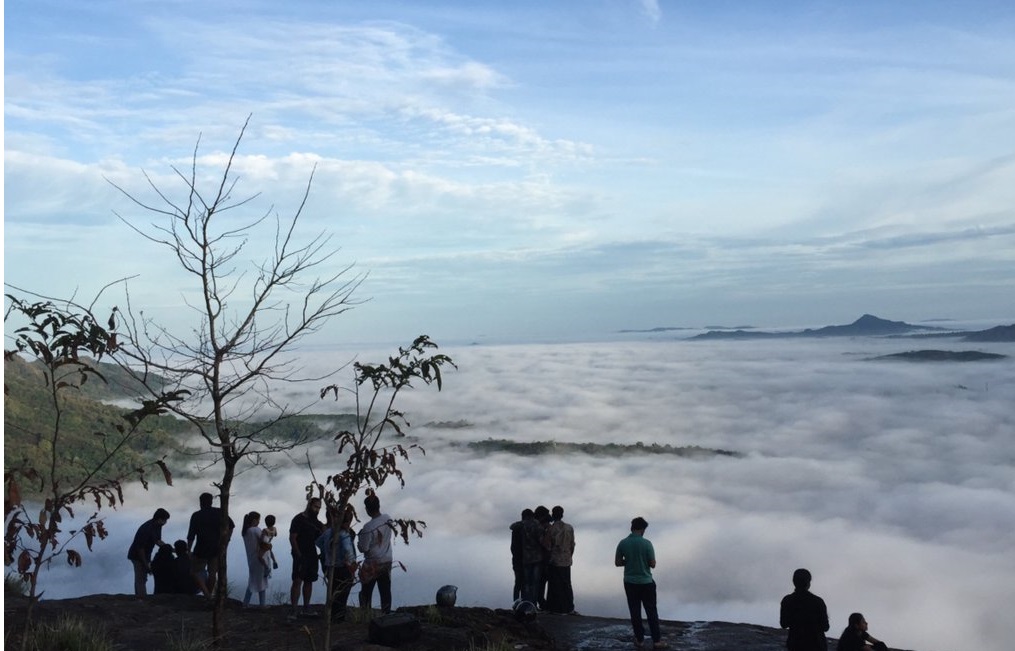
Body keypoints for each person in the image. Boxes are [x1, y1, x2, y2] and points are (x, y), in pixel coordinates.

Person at [615, 516, 664, 649]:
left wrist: (629, 561)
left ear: (632, 528)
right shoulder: (647, 544)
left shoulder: (623, 543)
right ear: (642, 529)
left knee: (635, 611)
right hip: (646, 582)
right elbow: (652, 564)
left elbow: (618, 562)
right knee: (651, 611)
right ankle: (657, 641)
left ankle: (640, 639)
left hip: (630, 582)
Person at [186, 492, 235, 598]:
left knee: (194, 572)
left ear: (200, 502)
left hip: (201, 548)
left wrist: (188, 550)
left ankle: (207, 594)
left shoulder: (196, 515)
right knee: (212, 573)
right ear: (211, 501)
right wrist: (226, 540)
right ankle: (209, 595)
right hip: (216, 548)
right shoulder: (219, 512)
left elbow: (191, 535)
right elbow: (231, 526)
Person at [317, 506, 358, 622]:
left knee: (334, 593)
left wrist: (327, 553)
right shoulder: (343, 534)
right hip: (342, 568)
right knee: (342, 594)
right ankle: (339, 618)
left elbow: (319, 542)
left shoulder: (328, 532)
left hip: (330, 567)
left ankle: (332, 616)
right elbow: (348, 551)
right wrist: (352, 565)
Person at [357, 492, 394, 613]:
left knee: (366, 591)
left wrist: (359, 539)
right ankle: (386, 614)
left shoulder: (368, 527)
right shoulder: (388, 519)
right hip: (386, 560)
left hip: (372, 563)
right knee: (385, 590)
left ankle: (365, 614)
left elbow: (363, 548)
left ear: (367, 509)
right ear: (379, 505)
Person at [289, 497, 324, 617]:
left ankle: (306, 608)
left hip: (312, 554)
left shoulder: (316, 523)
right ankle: (294, 609)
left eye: (319, 508)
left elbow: (323, 536)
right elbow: (292, 538)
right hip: (300, 554)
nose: (317, 510)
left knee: (309, 580)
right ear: (309, 505)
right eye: (315, 507)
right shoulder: (299, 519)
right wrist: (298, 555)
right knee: (297, 580)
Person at [780, 568, 830, 651]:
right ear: (808, 583)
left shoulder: (787, 600)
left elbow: (784, 624)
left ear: (794, 582)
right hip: (816, 645)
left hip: (795, 644)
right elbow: (825, 627)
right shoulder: (818, 601)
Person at [126, 507, 170, 597]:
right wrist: (146, 564)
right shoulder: (146, 529)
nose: (165, 522)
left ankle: (141, 596)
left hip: (146, 554)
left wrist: (170, 549)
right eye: (165, 520)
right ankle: (141, 598)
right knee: (140, 578)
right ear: (159, 519)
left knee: (143, 577)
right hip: (137, 556)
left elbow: (158, 540)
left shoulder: (158, 526)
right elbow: (140, 549)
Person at [545, 505, 576, 614]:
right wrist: (569, 556)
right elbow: (572, 545)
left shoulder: (551, 529)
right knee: (566, 584)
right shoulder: (569, 528)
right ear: (562, 515)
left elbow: (547, 545)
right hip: (566, 560)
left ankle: (553, 608)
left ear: (553, 515)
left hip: (554, 560)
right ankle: (569, 607)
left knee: (554, 585)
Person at [520, 507, 547, 606]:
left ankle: (526, 603)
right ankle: (533, 604)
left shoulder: (521, 525)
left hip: (526, 558)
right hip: (537, 558)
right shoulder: (537, 525)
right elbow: (542, 541)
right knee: (535, 583)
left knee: (526, 582)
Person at [241, 511, 268, 607]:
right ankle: (262, 605)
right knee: (262, 582)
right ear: (254, 520)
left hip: (251, 559)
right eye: (258, 520)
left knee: (253, 581)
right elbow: (264, 542)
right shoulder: (256, 530)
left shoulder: (246, 531)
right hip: (259, 559)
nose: (259, 522)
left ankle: (246, 603)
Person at [509, 509, 532, 602]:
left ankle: (516, 602)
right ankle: (523, 602)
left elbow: (513, 547)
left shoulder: (516, 528)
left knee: (518, 582)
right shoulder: (525, 528)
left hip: (516, 559)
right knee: (524, 583)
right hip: (524, 559)